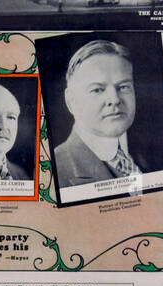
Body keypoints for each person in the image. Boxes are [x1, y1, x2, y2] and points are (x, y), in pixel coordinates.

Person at [54, 40, 149, 187]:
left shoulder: (153, 158)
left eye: (123, 87)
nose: (115, 99)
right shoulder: (54, 172)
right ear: (71, 102)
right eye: (97, 89)